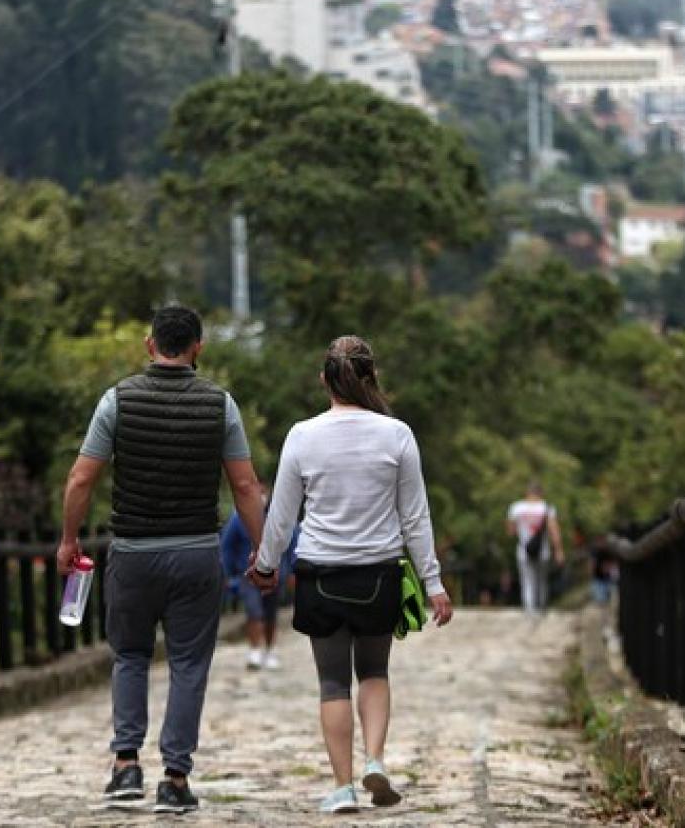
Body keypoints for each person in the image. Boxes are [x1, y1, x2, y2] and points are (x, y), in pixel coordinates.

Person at [57, 304, 264, 815]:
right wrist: (264, 548)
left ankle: (125, 767)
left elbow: (82, 477)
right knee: (189, 663)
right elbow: (243, 484)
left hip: (131, 552)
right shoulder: (222, 405)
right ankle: (175, 778)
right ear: (198, 348)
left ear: (150, 345)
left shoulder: (116, 400)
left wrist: (69, 539)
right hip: (197, 553)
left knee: (128, 655)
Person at [245, 335, 453, 815]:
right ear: (371, 376)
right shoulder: (397, 434)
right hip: (379, 573)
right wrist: (434, 583)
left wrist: (265, 565)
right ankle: (375, 758)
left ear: (324, 379)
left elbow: (282, 515)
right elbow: (415, 517)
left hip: (321, 573)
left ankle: (342, 787)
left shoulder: (302, 435)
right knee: (375, 671)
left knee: (333, 683)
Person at [220, 492, 298, 670]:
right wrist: (225, 573)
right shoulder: (238, 519)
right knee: (254, 611)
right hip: (247, 574)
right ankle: (255, 650)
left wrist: (294, 571)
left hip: (276, 574)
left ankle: (270, 650)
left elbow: (293, 544)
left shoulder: (282, 517)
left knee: (270, 614)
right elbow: (227, 547)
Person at [505, 481, 565, 616]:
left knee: (527, 581)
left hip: (524, 550)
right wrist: (559, 551)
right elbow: (554, 530)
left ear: (527, 492)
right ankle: (541, 608)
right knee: (541, 580)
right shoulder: (547, 507)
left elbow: (510, 531)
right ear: (540, 493)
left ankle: (530, 610)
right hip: (543, 551)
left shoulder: (516, 508)